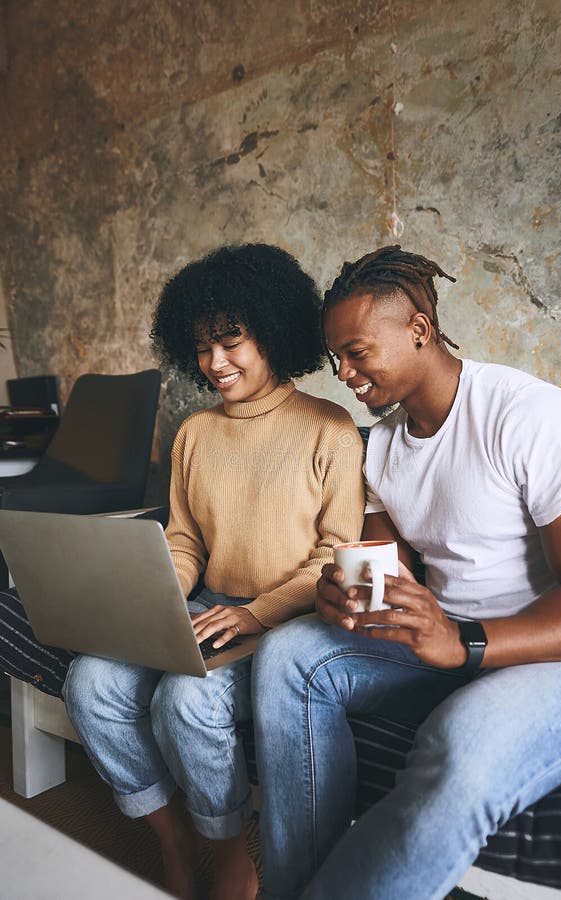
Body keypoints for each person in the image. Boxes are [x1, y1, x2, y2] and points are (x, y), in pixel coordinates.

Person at [251, 245, 561, 900]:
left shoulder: (531, 418)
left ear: (419, 329)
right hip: (442, 642)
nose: (344, 374)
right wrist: (346, 596)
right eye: (335, 360)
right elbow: (388, 580)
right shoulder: (381, 448)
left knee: (458, 748)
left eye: (357, 352)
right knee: (290, 653)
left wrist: (467, 643)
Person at [60, 244, 365, 900]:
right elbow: (186, 538)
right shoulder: (194, 433)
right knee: (90, 681)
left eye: (230, 343)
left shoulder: (332, 432)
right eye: (201, 348)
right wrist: (161, 584)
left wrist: (255, 613)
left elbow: (335, 559)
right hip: (202, 608)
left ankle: (229, 856)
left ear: (275, 334)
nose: (214, 363)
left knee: (186, 698)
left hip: (285, 624)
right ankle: (174, 841)